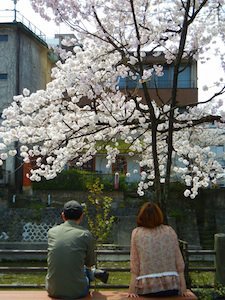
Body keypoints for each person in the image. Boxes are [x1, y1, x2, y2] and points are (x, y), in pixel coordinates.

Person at [127, 202, 192, 298]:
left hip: (147, 288)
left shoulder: (137, 233)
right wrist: (183, 289)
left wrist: (132, 290)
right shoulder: (169, 231)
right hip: (171, 287)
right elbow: (179, 261)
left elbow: (135, 264)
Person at [46, 200, 108, 299]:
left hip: (53, 289)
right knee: (86, 269)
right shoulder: (85, 234)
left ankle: (94, 273)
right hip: (78, 292)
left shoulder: (51, 232)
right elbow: (90, 263)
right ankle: (95, 273)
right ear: (81, 216)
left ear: (63, 215)